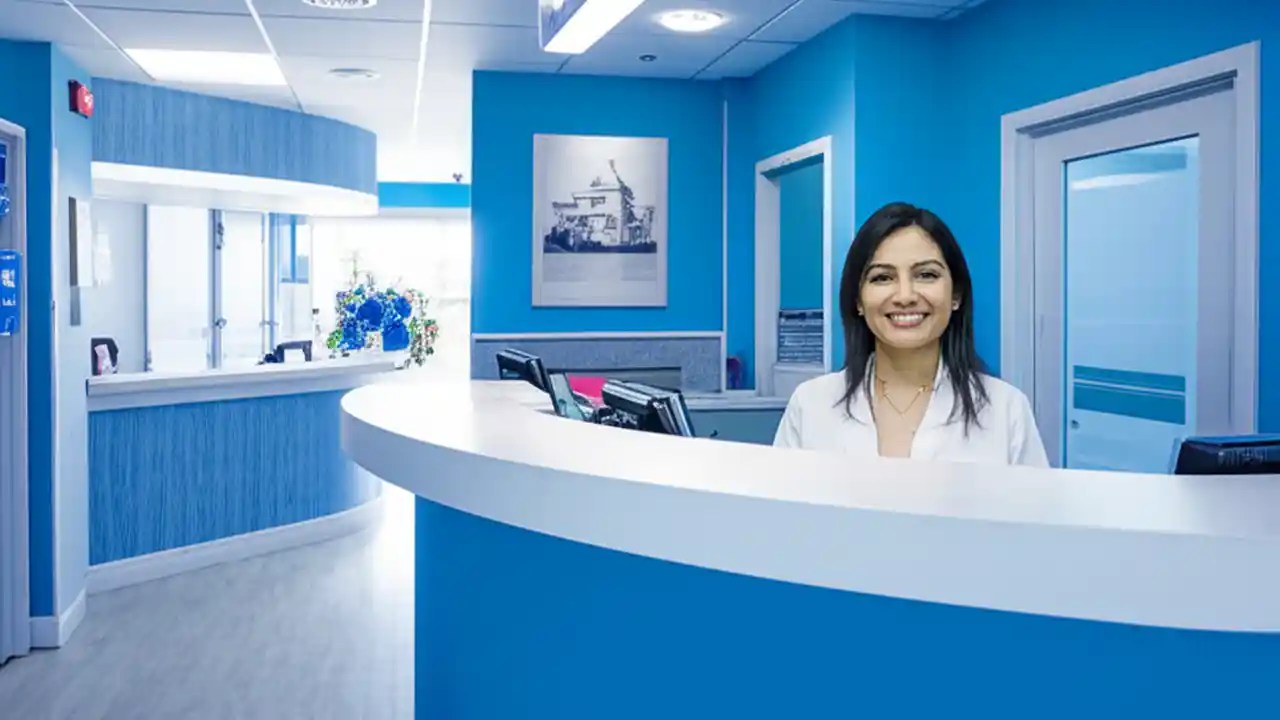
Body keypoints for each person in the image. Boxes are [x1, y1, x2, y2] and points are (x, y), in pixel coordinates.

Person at [773, 202, 1049, 467]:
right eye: (882, 277)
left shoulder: (1005, 409)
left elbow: (1034, 513)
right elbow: (780, 513)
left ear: (956, 295)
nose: (905, 296)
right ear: (858, 300)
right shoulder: (811, 405)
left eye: (926, 275)